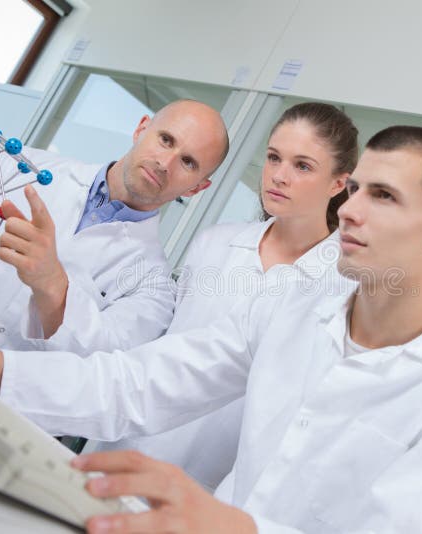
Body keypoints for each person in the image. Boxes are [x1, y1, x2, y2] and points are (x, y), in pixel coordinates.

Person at [0, 125, 422, 533]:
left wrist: (232, 528)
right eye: (355, 191)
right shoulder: (294, 305)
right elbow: (144, 381)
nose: (348, 210)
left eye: (383, 197)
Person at [93, 102, 360, 491]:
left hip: (209, 491)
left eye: (302, 166)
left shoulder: (344, 287)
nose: (279, 176)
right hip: (123, 453)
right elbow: (161, 347)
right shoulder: (214, 243)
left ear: (339, 184)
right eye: (273, 158)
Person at [0, 99, 229, 354]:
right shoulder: (19, 167)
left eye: (188, 162)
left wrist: (54, 286)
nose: (165, 162)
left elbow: (98, 368)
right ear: (141, 128)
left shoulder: (152, 287)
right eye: (166, 139)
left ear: (196, 188)